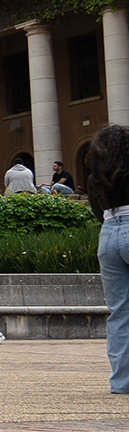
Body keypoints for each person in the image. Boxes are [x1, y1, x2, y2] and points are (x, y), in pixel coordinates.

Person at [88, 124, 129, 393]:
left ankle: (122, 383)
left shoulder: (96, 178)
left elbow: (95, 210)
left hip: (108, 233)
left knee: (120, 314)